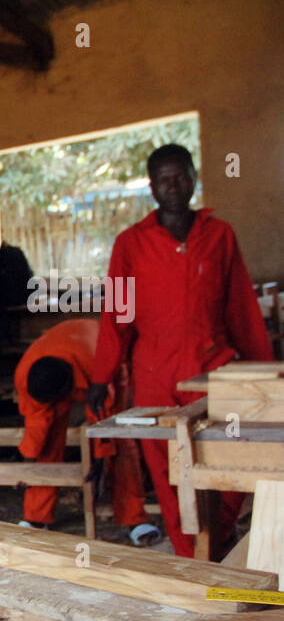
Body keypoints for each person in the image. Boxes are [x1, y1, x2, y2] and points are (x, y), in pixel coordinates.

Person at [87, 143, 272, 558]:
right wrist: (101, 377)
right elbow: (116, 315)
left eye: (182, 176)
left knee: (232, 459)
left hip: (212, 369)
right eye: (164, 179)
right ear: (152, 187)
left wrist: (263, 372)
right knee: (169, 471)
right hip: (154, 374)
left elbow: (241, 307)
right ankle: (192, 557)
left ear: (194, 177)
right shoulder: (129, 244)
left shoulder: (219, 235)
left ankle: (217, 534)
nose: (174, 186)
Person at [15, 318, 156, 544]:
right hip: (63, 356)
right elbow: (36, 421)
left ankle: (135, 519)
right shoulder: (26, 375)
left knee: (119, 444)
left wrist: (99, 458)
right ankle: (36, 517)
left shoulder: (98, 366)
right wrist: (29, 460)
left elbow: (104, 424)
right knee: (47, 446)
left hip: (101, 365)